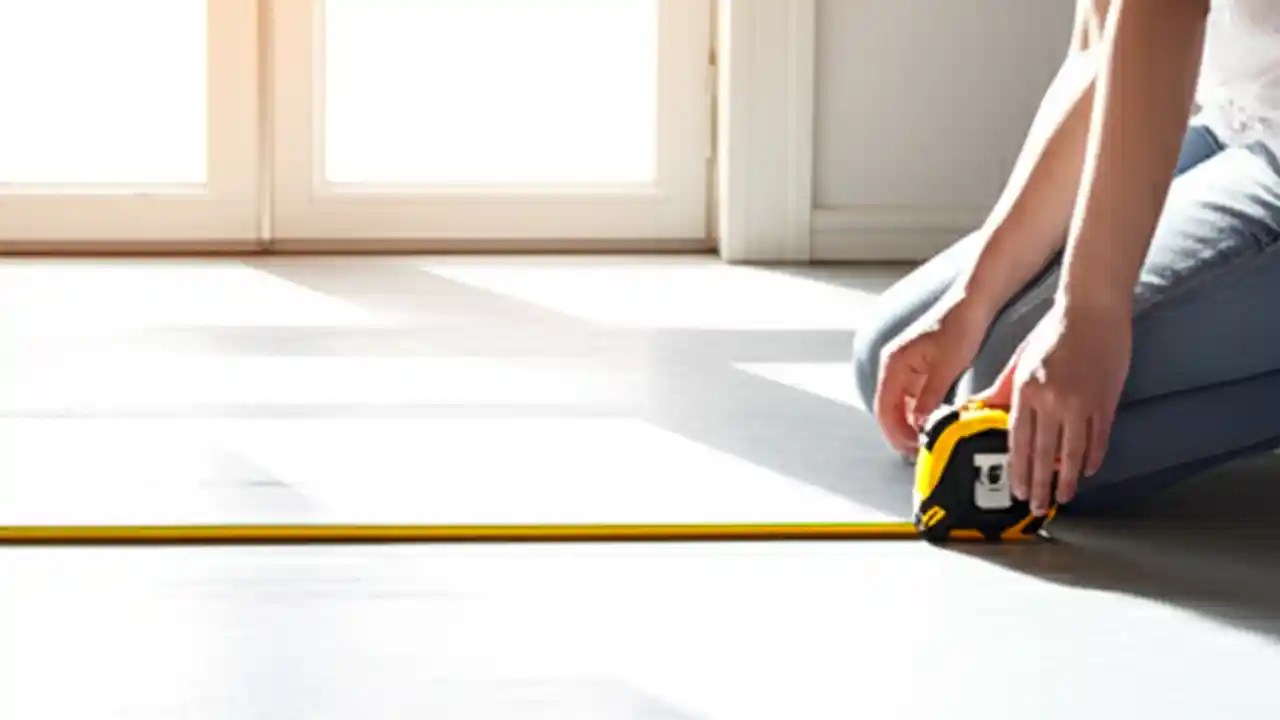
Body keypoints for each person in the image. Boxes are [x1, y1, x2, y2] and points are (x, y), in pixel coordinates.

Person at [852, 0, 1280, 516]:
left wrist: (1091, 311)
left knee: (1024, 444)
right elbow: (1101, 48)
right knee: (900, 360)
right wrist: (975, 296)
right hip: (1234, 121)